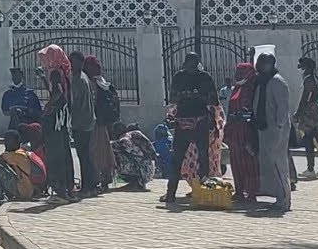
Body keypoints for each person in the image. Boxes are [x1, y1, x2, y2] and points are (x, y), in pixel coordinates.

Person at [161, 51, 216, 205]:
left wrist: (199, 97)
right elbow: (172, 98)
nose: (191, 68)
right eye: (188, 64)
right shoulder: (179, 77)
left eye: (194, 65)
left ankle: (202, 193)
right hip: (182, 121)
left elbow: (213, 100)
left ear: (197, 64)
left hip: (200, 121)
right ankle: (170, 193)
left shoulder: (205, 78)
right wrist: (182, 96)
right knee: (176, 159)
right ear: (185, 64)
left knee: (203, 158)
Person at [37, 44, 76, 203]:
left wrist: (48, 106)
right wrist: (43, 79)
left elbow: (57, 93)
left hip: (56, 120)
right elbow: (57, 91)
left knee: (55, 154)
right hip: (63, 119)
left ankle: (59, 191)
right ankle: (68, 189)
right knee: (64, 152)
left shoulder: (54, 73)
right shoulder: (63, 72)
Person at [254, 52, 292, 212]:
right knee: (270, 163)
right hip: (264, 128)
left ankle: (284, 199)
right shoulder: (263, 81)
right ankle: (277, 196)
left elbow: (283, 109)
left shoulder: (277, 82)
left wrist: (278, 126)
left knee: (278, 163)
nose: (262, 66)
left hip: (276, 130)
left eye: (265, 63)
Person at [0, 130, 46, 212]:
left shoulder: (16, 155)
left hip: (25, 191)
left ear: (17, 142)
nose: (6, 144)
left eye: (8, 141)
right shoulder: (24, 152)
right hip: (34, 189)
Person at [224, 62, 260, 202]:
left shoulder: (253, 88)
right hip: (235, 131)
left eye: (240, 73)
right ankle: (239, 190)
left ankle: (252, 192)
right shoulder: (236, 88)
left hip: (248, 130)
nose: (237, 76)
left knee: (249, 162)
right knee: (236, 161)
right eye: (236, 73)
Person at [83, 55, 118, 192]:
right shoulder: (102, 82)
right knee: (103, 149)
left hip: (94, 123)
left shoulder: (92, 83)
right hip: (102, 122)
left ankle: (98, 179)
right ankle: (104, 179)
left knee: (96, 151)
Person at [66, 51, 99, 196]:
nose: (72, 64)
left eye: (74, 61)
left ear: (81, 62)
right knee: (86, 155)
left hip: (82, 122)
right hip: (87, 121)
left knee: (84, 155)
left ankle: (89, 187)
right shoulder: (82, 77)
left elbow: (73, 103)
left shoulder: (78, 79)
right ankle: (91, 185)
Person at [296, 56, 318, 179]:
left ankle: (311, 169)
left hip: (308, 113)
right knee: (316, 139)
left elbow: (305, 98)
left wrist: (298, 112)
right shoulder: (313, 78)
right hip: (312, 112)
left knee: (310, 140)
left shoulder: (309, 80)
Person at [110, 122, 157, 190]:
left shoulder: (124, 140)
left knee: (116, 154)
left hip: (144, 172)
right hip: (148, 170)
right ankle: (138, 182)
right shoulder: (133, 134)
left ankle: (136, 182)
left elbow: (137, 154)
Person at [1, 68, 42, 132]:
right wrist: (12, 111)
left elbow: (37, 111)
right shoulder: (8, 94)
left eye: (17, 74)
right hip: (14, 125)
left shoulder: (29, 93)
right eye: (13, 75)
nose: (15, 77)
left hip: (27, 124)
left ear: (21, 75)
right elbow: (5, 111)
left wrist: (25, 110)